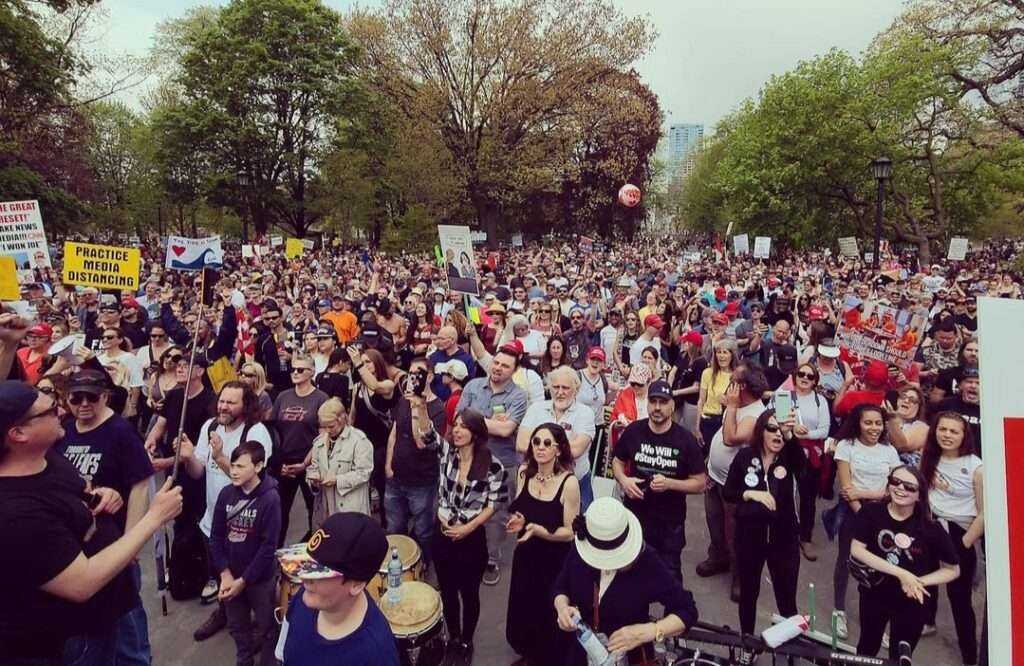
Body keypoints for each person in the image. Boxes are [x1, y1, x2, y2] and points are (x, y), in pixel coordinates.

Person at [0, 380, 182, 664]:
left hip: (108, 610)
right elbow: (81, 583)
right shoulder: (15, 512)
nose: (61, 411)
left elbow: (78, 487)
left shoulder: (47, 456)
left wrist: (97, 494)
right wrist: (155, 517)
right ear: (18, 433)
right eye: (48, 412)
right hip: (71, 640)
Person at [56, 369, 156, 665]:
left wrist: (131, 542)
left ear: (105, 397)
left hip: (114, 542)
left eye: (92, 397)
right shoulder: (64, 429)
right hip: (79, 546)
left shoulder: (120, 431)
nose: (84, 404)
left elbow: (140, 485)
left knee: (127, 625)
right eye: (76, 397)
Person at [177, 381, 275, 642]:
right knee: (222, 572)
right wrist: (188, 458)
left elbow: (245, 479)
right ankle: (225, 613)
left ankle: (260, 628)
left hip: (248, 525)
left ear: (246, 405)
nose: (224, 406)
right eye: (222, 400)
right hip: (215, 523)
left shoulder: (256, 432)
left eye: (231, 402)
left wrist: (220, 456)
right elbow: (199, 473)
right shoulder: (208, 427)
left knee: (252, 580)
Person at [410, 407, 507, 665]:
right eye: (455, 425)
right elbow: (427, 433)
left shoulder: (492, 465)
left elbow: (495, 504)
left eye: (464, 426)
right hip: (442, 537)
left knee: (469, 593)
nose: (457, 430)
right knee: (448, 591)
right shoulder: (447, 454)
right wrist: (418, 404)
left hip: (470, 540)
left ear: (476, 432)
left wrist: (468, 528)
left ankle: (466, 640)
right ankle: (453, 638)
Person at [553, 497, 699, 666]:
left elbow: (687, 610)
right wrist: (562, 608)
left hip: (630, 658)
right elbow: (561, 586)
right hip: (581, 654)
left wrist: (648, 631)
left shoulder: (647, 562)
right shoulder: (581, 547)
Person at [850, 465, 960, 660]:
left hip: (912, 600)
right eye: (895, 482)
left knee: (900, 655)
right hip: (874, 593)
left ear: (920, 495)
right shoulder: (871, 512)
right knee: (867, 646)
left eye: (909, 487)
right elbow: (857, 550)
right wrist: (902, 573)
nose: (900, 488)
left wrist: (919, 581)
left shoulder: (931, 528)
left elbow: (953, 570)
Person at [274, 512, 399, 666]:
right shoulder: (304, 597)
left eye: (319, 573)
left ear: (356, 584)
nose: (304, 578)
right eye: (306, 565)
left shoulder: (376, 654)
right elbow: (282, 655)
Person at [612, 380, 705, 582]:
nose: (657, 407)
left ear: (672, 405)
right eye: (653, 401)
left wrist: (671, 484)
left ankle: (673, 613)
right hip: (635, 516)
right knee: (632, 572)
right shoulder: (634, 431)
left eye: (663, 402)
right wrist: (623, 480)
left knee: (669, 574)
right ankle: (638, 613)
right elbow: (617, 461)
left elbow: (700, 483)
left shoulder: (685, 440)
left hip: (670, 521)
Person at [723, 410, 803, 644]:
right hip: (749, 537)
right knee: (748, 595)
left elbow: (805, 470)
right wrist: (751, 494)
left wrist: (790, 436)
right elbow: (729, 492)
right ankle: (747, 643)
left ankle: (790, 651)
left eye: (782, 429)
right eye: (772, 429)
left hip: (784, 539)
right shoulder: (745, 457)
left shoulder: (790, 456)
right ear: (761, 431)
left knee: (787, 599)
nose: (777, 434)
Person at [505, 423, 580, 666]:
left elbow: (570, 533)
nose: (540, 447)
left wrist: (540, 531)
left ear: (559, 450)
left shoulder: (569, 483)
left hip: (554, 563)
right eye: (536, 441)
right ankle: (529, 655)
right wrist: (521, 520)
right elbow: (521, 508)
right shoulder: (523, 472)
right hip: (525, 556)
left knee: (548, 613)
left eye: (547, 443)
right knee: (524, 608)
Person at [455, 345, 528, 587]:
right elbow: (458, 419)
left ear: (514, 370)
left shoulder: (518, 396)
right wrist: (490, 423)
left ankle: (491, 560)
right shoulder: (473, 386)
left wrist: (473, 420)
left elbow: (506, 430)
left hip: (501, 464)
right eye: (496, 362)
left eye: (505, 365)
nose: (498, 368)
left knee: (495, 516)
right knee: (465, 507)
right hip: (469, 459)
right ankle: (466, 553)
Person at [827, 403, 901, 639]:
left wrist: (866, 495)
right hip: (854, 513)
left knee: (881, 566)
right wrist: (862, 511)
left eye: (878, 423)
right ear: (857, 423)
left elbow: (895, 489)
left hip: (882, 514)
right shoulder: (846, 447)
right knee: (846, 560)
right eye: (868, 422)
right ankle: (839, 610)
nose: (874, 428)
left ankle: (879, 617)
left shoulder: (889, 451)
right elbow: (847, 489)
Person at [919, 412, 984, 665]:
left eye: (953, 431)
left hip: (959, 532)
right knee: (926, 582)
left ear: (964, 435)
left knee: (959, 598)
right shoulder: (930, 457)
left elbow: (984, 512)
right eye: (942, 429)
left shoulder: (976, 467)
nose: (946, 435)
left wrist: (965, 542)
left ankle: (970, 656)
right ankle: (927, 621)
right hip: (931, 526)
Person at [701, 364, 769, 599]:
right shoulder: (738, 405)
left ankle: (740, 574)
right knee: (715, 521)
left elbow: (731, 438)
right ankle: (718, 556)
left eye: (733, 381)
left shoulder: (754, 414)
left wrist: (730, 406)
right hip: (715, 477)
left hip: (734, 485)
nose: (729, 385)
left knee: (735, 531)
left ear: (742, 387)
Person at [210, 441, 281, 666]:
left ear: (258, 466)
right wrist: (225, 574)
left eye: (241, 466)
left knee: (267, 627)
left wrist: (244, 580)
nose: (233, 471)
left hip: (260, 580)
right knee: (238, 627)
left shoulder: (271, 499)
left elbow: (268, 547)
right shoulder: (225, 494)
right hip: (231, 577)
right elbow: (216, 537)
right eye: (233, 465)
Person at [384, 357, 446, 568]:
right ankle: (399, 565)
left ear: (429, 377)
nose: (413, 378)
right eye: (410, 373)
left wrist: (417, 406)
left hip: (422, 481)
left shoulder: (437, 408)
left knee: (423, 530)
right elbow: (394, 433)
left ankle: (422, 565)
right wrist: (388, 466)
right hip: (396, 477)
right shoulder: (402, 400)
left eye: (418, 373)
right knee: (394, 526)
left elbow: (421, 442)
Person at [516, 366, 597, 510]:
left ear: (576, 390)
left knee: (576, 530)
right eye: (555, 387)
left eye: (565, 388)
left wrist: (539, 445)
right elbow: (521, 444)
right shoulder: (536, 408)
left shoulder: (586, 413)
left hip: (576, 484)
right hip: (537, 483)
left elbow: (577, 450)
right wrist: (563, 446)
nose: (560, 392)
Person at [271, 354, 329, 545]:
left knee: (315, 511)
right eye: (293, 369)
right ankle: (275, 556)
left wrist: (304, 464)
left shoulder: (321, 398)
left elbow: (323, 436)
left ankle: (315, 553)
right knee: (279, 513)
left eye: (300, 370)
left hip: (310, 462)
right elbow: (274, 430)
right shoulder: (282, 397)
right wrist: (278, 463)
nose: (295, 373)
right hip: (284, 465)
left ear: (311, 372)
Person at [786, 363, 831, 561]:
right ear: (795, 376)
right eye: (801, 374)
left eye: (810, 376)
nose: (805, 378)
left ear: (815, 381)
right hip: (787, 450)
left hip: (811, 455)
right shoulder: (783, 397)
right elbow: (773, 420)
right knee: (783, 493)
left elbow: (825, 429)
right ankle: (784, 534)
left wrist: (808, 434)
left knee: (808, 498)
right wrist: (792, 431)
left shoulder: (820, 400)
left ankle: (805, 537)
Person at [307, 397, 373, 526]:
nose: (327, 431)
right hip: (325, 510)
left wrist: (337, 480)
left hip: (350, 509)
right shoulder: (319, 442)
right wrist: (313, 479)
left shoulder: (359, 441)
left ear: (342, 418)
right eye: (323, 426)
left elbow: (364, 473)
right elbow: (313, 467)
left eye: (331, 426)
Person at [695, 339, 737, 454]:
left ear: (732, 355)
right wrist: (697, 427)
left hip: (723, 423)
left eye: (725, 352)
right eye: (719, 352)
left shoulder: (736, 376)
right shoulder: (707, 373)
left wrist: (728, 403)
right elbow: (701, 401)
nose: (721, 356)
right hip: (707, 421)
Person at [885, 386, 929, 467]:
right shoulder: (884, 420)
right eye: (903, 396)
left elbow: (902, 446)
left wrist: (892, 420)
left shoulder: (922, 427)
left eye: (912, 400)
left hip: (905, 471)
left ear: (918, 407)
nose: (906, 400)